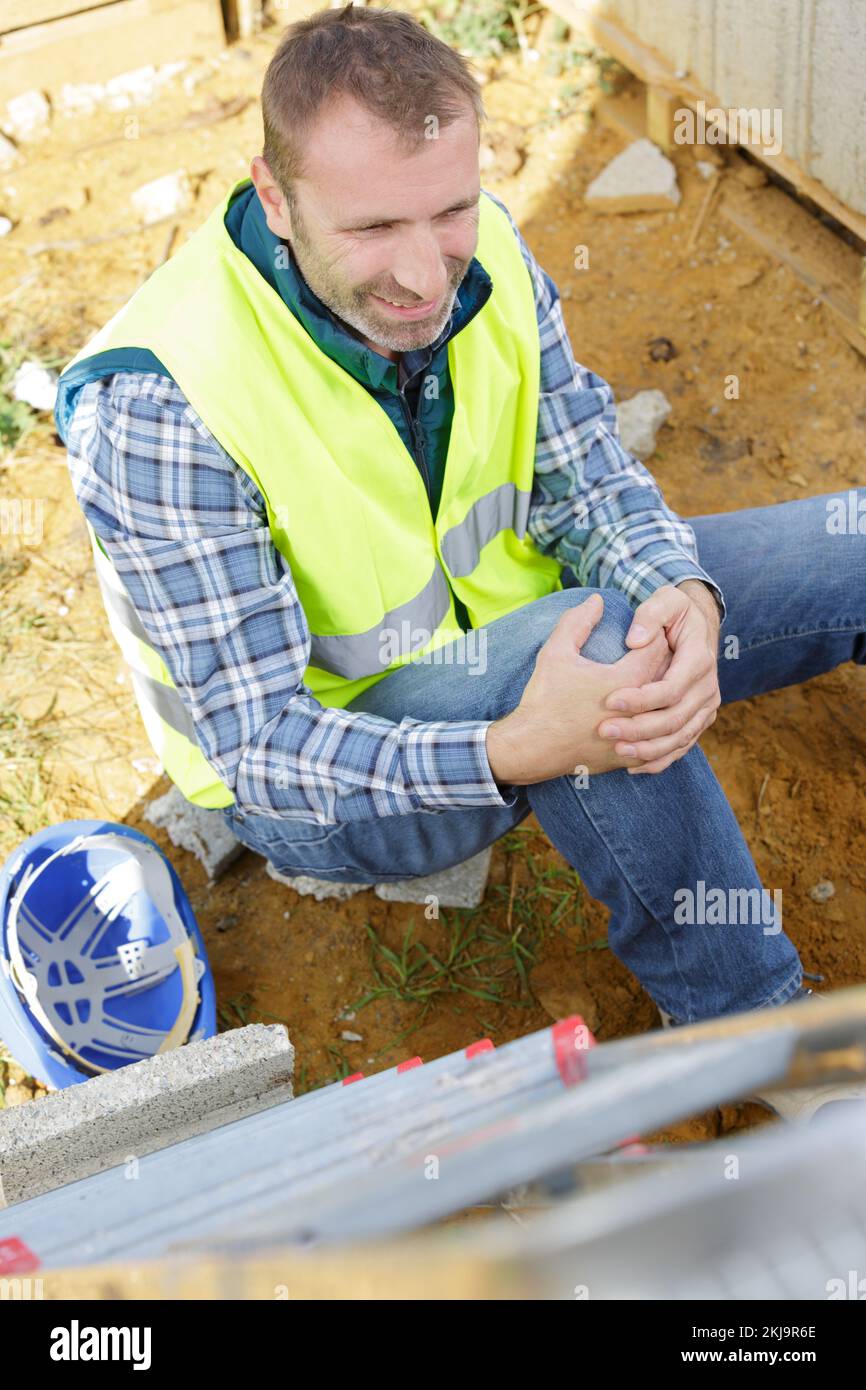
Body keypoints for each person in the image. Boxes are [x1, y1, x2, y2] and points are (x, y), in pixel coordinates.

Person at [56, 5, 865, 1034]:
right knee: (596, 655)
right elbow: (261, 744)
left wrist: (677, 585)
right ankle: (755, 1035)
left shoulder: (484, 254)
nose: (424, 274)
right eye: (371, 228)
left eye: (447, 211)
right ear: (276, 198)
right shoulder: (160, 403)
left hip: (524, 631)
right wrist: (508, 748)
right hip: (332, 775)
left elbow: (585, 477)